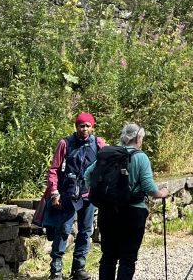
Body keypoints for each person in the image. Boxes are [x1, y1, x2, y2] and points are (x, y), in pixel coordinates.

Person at [86, 123, 169, 280]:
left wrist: (102, 194)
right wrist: (161, 193)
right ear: (138, 137)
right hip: (133, 213)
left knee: (108, 256)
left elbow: (87, 174)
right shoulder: (140, 157)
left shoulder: (110, 155)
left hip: (108, 212)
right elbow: (149, 187)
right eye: (142, 138)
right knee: (127, 259)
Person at [43, 112, 106, 280]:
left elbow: (107, 164)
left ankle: (79, 269)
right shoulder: (65, 143)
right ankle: (56, 271)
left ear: (92, 127)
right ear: (76, 126)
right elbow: (54, 170)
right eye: (81, 125)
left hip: (89, 194)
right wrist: (54, 192)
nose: (84, 129)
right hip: (68, 194)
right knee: (63, 230)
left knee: (85, 232)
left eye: (88, 126)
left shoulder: (98, 143)